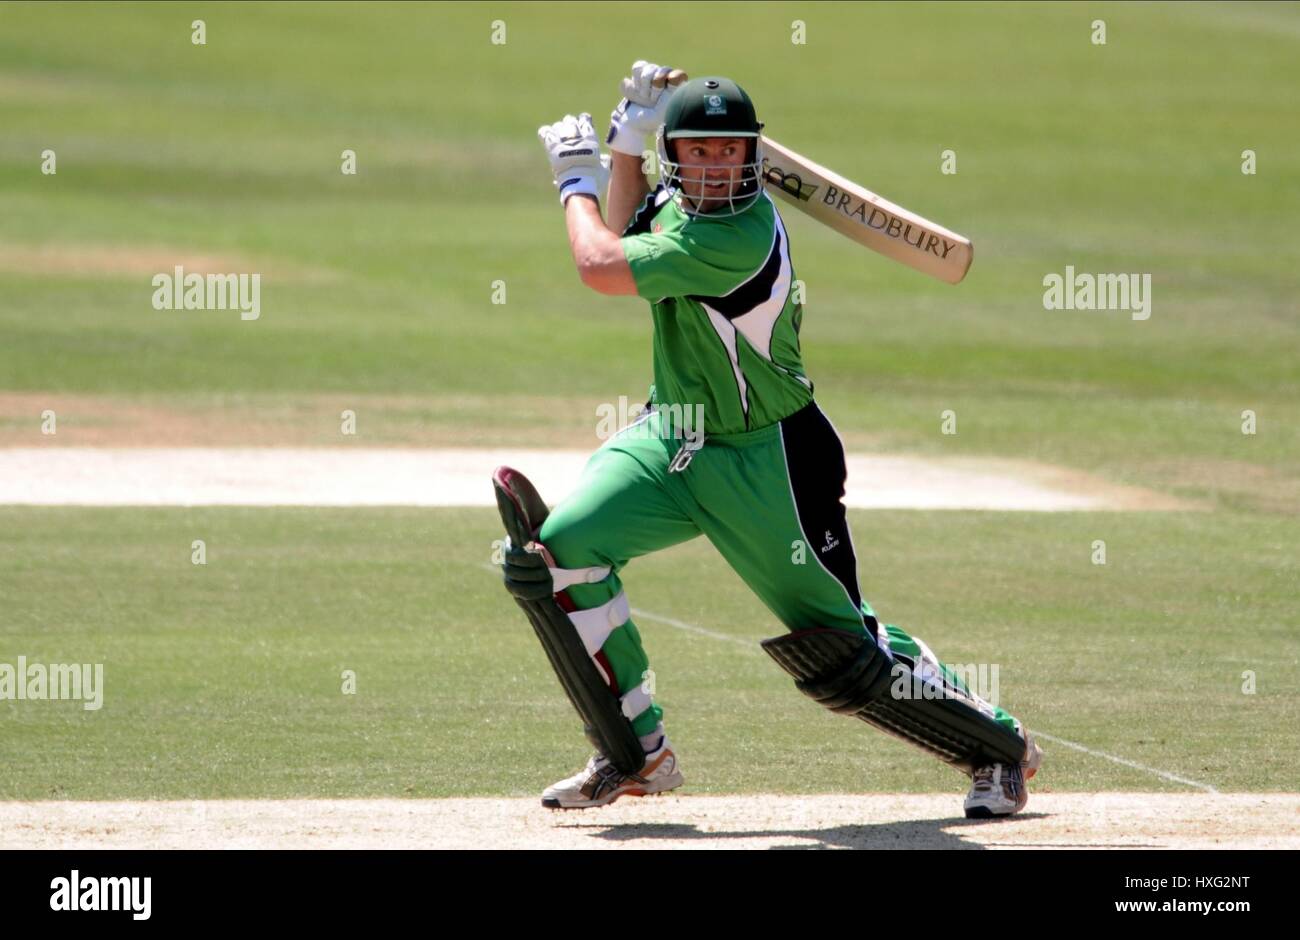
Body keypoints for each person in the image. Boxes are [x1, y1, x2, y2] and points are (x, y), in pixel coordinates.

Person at [515, 61, 1041, 817]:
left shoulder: (738, 235)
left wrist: (575, 180)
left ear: (753, 156)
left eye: (729, 151)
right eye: (698, 150)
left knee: (841, 654)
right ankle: (636, 752)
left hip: (771, 458)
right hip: (675, 438)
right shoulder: (675, 205)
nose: (716, 164)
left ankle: (1000, 748)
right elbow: (631, 225)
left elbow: (600, 264)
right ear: (677, 157)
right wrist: (627, 135)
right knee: (562, 553)